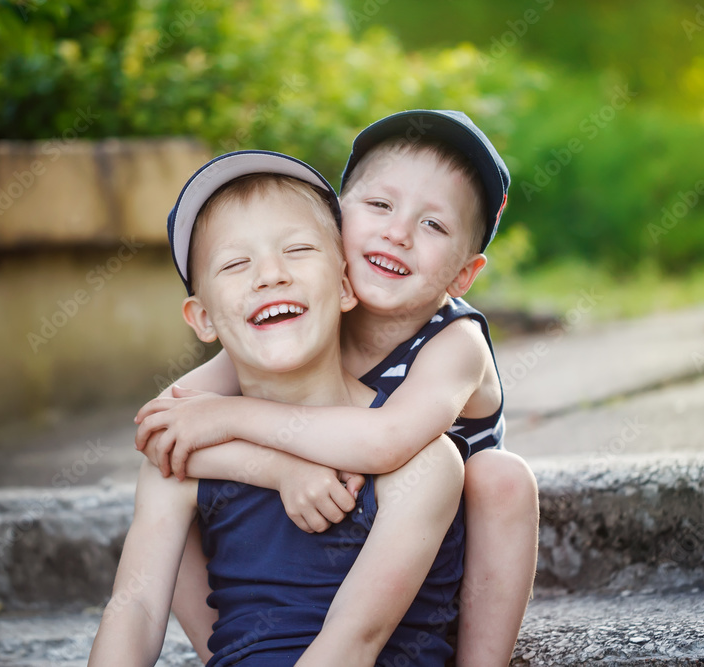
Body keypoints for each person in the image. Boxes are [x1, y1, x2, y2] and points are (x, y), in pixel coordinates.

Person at [136, 110, 540, 666]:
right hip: (326, 532)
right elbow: (168, 421)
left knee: (503, 479)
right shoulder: (303, 314)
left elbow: (387, 441)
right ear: (337, 216)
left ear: (463, 275)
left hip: (428, 540)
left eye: (434, 226)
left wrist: (230, 418)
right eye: (379, 206)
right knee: (176, 467)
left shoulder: (455, 342)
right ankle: (232, 652)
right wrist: (279, 469)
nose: (398, 233)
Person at [89, 150, 467, 667]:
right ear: (202, 319)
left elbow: (353, 642)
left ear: (344, 286)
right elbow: (133, 611)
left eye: (297, 249)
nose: (269, 275)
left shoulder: (422, 462)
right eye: (235, 263)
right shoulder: (182, 466)